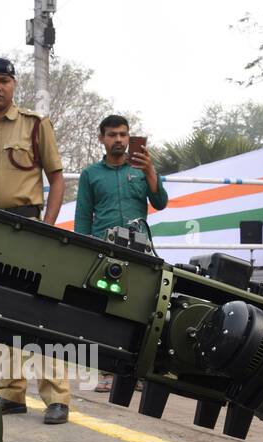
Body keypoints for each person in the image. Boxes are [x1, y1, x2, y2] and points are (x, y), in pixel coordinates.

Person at [0, 57, 70, 424]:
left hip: (28, 227)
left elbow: (57, 177)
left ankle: (57, 397)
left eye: (4, 80)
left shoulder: (36, 125)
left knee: (41, 311)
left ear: (14, 85)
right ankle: (11, 393)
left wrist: (48, 227)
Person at [75, 114, 169, 392]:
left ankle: (135, 373)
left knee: (139, 309)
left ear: (130, 138)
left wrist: (151, 171)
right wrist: (84, 247)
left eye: (123, 135)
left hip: (139, 247)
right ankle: (105, 371)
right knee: (103, 309)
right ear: (102, 138)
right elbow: (82, 216)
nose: (119, 140)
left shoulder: (142, 168)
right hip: (104, 247)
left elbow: (160, 202)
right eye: (113, 135)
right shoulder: (90, 174)